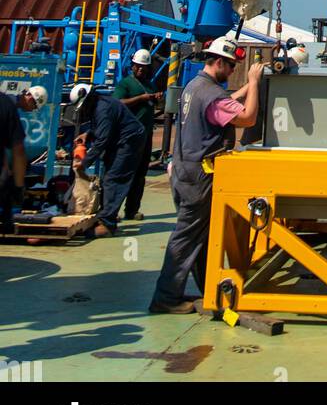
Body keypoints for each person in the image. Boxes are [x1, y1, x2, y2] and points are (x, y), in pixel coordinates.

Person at [149, 36, 263, 315]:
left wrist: (245, 87)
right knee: (187, 237)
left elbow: (222, 105)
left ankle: (204, 290)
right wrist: (256, 83)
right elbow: (246, 117)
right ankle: (165, 296)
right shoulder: (212, 94)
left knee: (200, 235)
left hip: (183, 171)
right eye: (231, 66)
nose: (233, 70)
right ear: (220, 62)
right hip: (199, 177)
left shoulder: (195, 87)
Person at [70, 83, 146, 237]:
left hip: (129, 141)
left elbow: (102, 141)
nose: (83, 110)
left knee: (114, 178)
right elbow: (103, 128)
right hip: (120, 140)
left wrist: (84, 164)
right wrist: (88, 135)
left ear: (88, 99)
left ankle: (108, 224)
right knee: (108, 177)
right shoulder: (98, 105)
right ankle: (107, 214)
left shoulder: (102, 108)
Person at [114, 49, 163, 222]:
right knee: (123, 172)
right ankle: (113, 211)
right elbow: (118, 103)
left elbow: (153, 103)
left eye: (144, 67)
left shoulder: (149, 84)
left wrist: (156, 97)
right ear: (132, 66)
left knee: (140, 174)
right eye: (138, 66)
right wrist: (141, 98)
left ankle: (132, 209)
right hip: (129, 137)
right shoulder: (125, 84)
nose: (141, 69)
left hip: (146, 135)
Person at [0, 87, 47, 232]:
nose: (32, 110)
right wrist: (18, 186)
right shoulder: (7, 106)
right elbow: (18, 150)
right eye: (34, 106)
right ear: (30, 97)